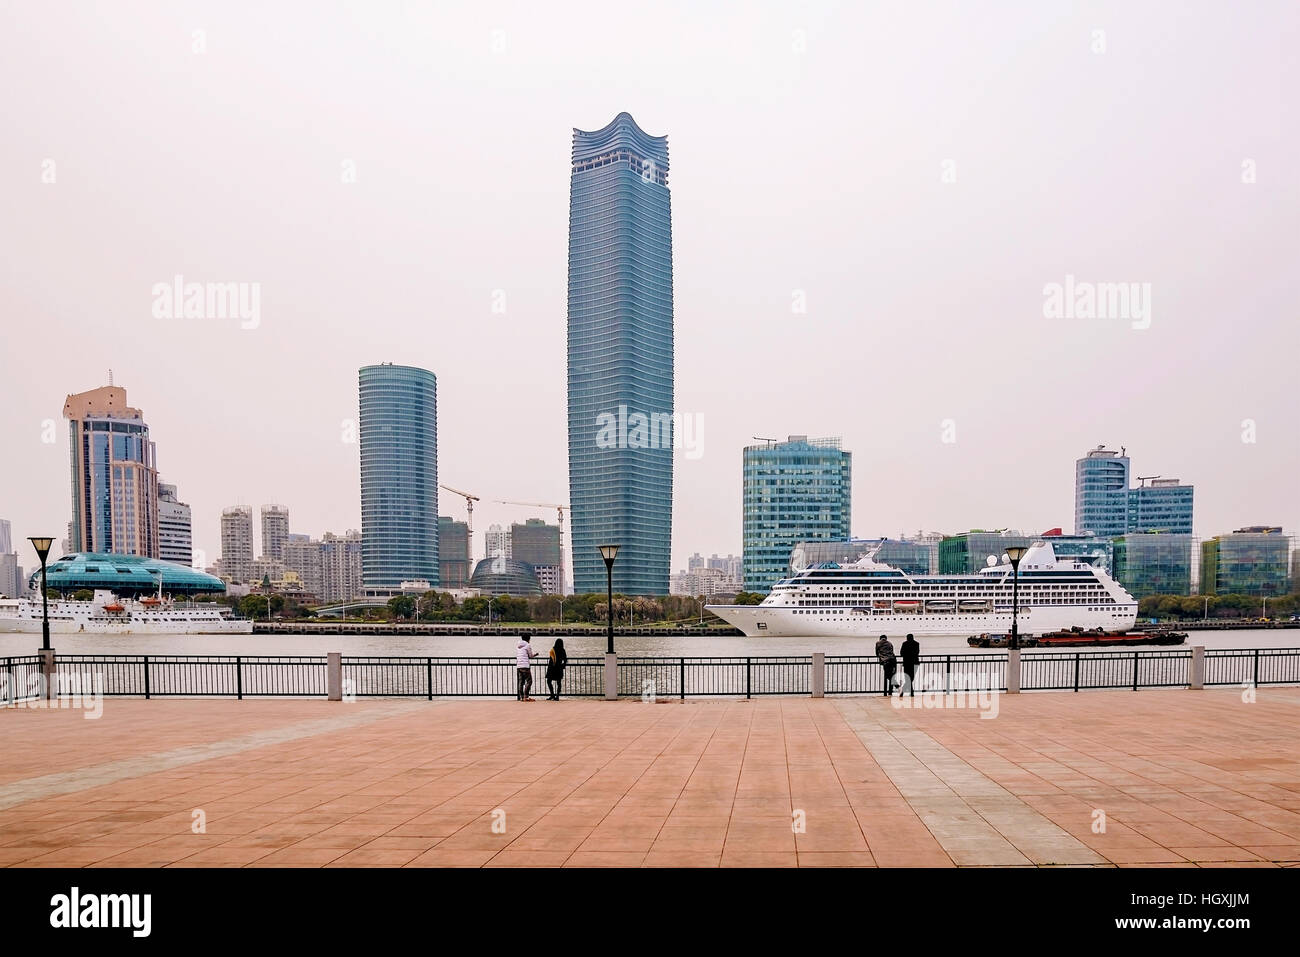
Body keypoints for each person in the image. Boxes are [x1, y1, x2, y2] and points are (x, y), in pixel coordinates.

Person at [516, 633, 537, 701]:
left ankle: (521, 697)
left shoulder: (518, 646)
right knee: (529, 681)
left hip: (519, 666)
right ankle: (526, 696)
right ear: (528, 639)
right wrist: (535, 655)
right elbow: (530, 656)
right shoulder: (527, 645)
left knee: (521, 682)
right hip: (525, 666)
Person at [900, 633, 920, 697]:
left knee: (908, 678)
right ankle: (911, 692)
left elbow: (901, 653)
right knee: (911, 678)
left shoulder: (904, 644)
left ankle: (904, 691)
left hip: (907, 663)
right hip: (914, 663)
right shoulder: (916, 644)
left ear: (907, 638)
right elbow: (917, 652)